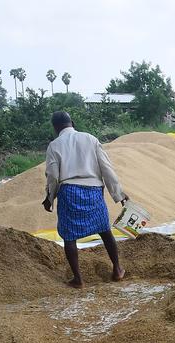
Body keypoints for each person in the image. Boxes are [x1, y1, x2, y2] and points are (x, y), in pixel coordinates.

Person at [42, 111, 128, 288]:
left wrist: (49, 197)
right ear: (72, 122)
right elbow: (107, 168)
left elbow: (52, 175)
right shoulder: (90, 139)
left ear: (55, 128)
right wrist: (119, 194)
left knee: (69, 236)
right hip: (93, 190)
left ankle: (78, 279)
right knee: (105, 230)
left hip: (69, 191)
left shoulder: (54, 145)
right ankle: (118, 269)